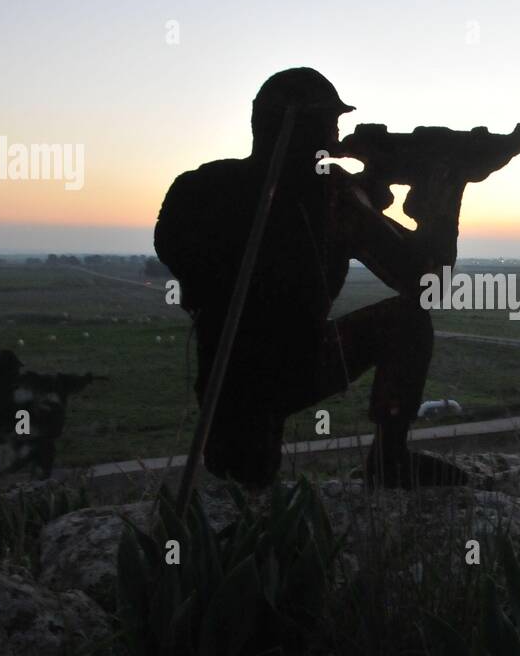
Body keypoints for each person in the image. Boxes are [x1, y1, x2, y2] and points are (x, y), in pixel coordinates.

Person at [154, 67, 466, 490]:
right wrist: (444, 194)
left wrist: (368, 191)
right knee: (406, 322)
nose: (335, 142)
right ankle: (389, 459)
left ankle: (384, 462)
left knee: (242, 481)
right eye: (330, 127)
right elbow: (427, 281)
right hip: (292, 368)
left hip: (225, 376)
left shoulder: (199, 187)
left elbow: (179, 259)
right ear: (307, 128)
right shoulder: (331, 198)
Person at [0, 349, 96, 498]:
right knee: (44, 447)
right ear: (7, 373)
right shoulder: (7, 396)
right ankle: (37, 491)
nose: (17, 375)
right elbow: (24, 432)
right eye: (14, 371)